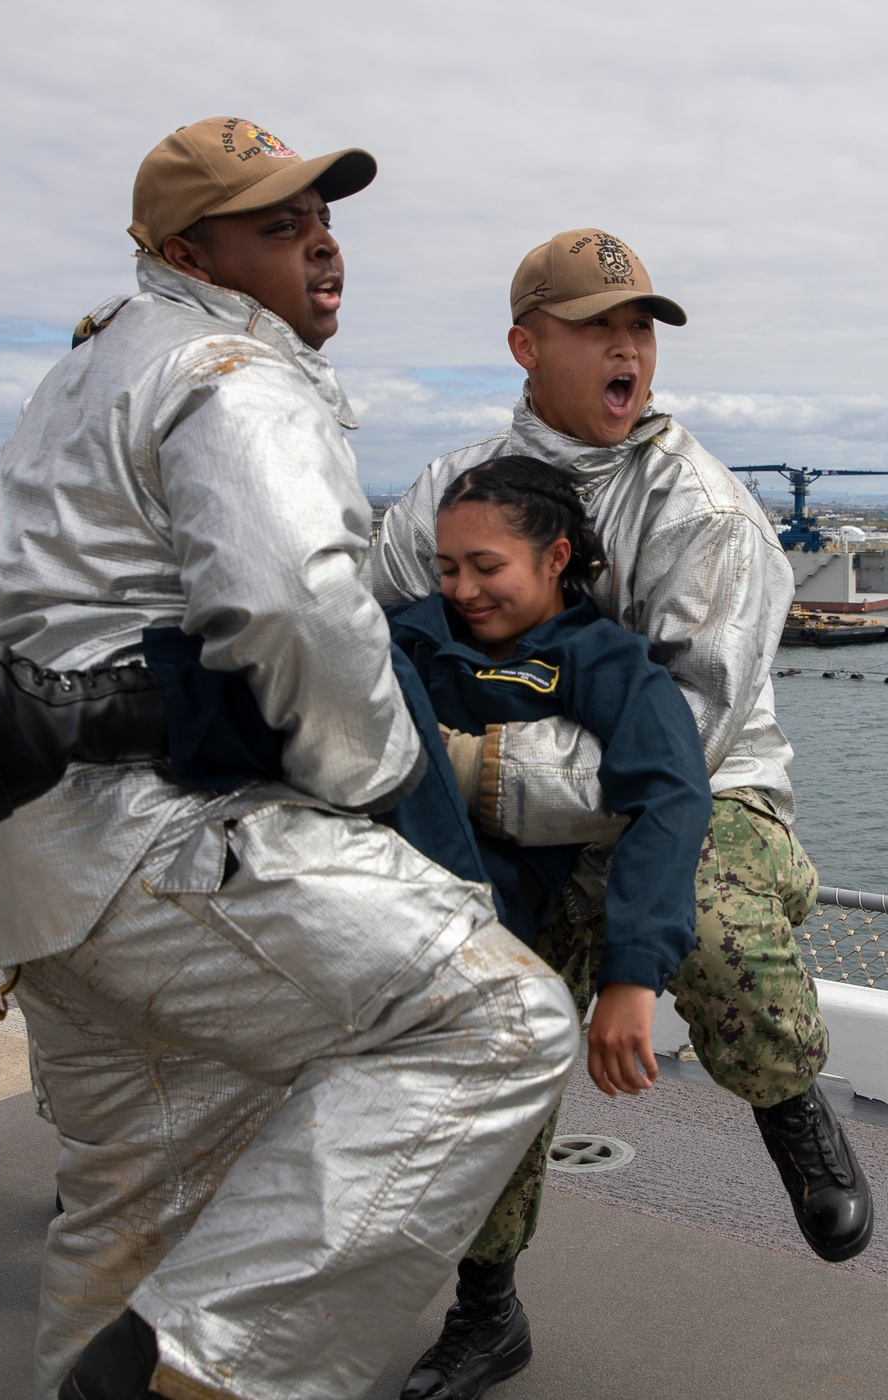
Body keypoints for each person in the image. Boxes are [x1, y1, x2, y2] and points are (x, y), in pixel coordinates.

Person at [0, 120, 581, 1400]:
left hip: (33, 879)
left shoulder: (80, 378)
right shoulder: (229, 372)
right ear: (183, 249)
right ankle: (204, 1366)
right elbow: (297, 607)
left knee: (135, 1200)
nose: (321, 242)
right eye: (278, 224)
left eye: (323, 219)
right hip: (164, 843)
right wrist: (376, 788)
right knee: (496, 1017)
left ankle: (119, 1361)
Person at [371, 228, 874, 1400]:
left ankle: (786, 1095)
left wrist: (471, 770)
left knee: (699, 913)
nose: (628, 348)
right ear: (523, 345)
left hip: (706, 785)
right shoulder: (445, 496)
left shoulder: (704, 509)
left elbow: (683, 740)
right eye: (599, 325)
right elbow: (366, 647)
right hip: (501, 800)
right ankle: (486, 1307)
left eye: (640, 326)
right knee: (485, 1023)